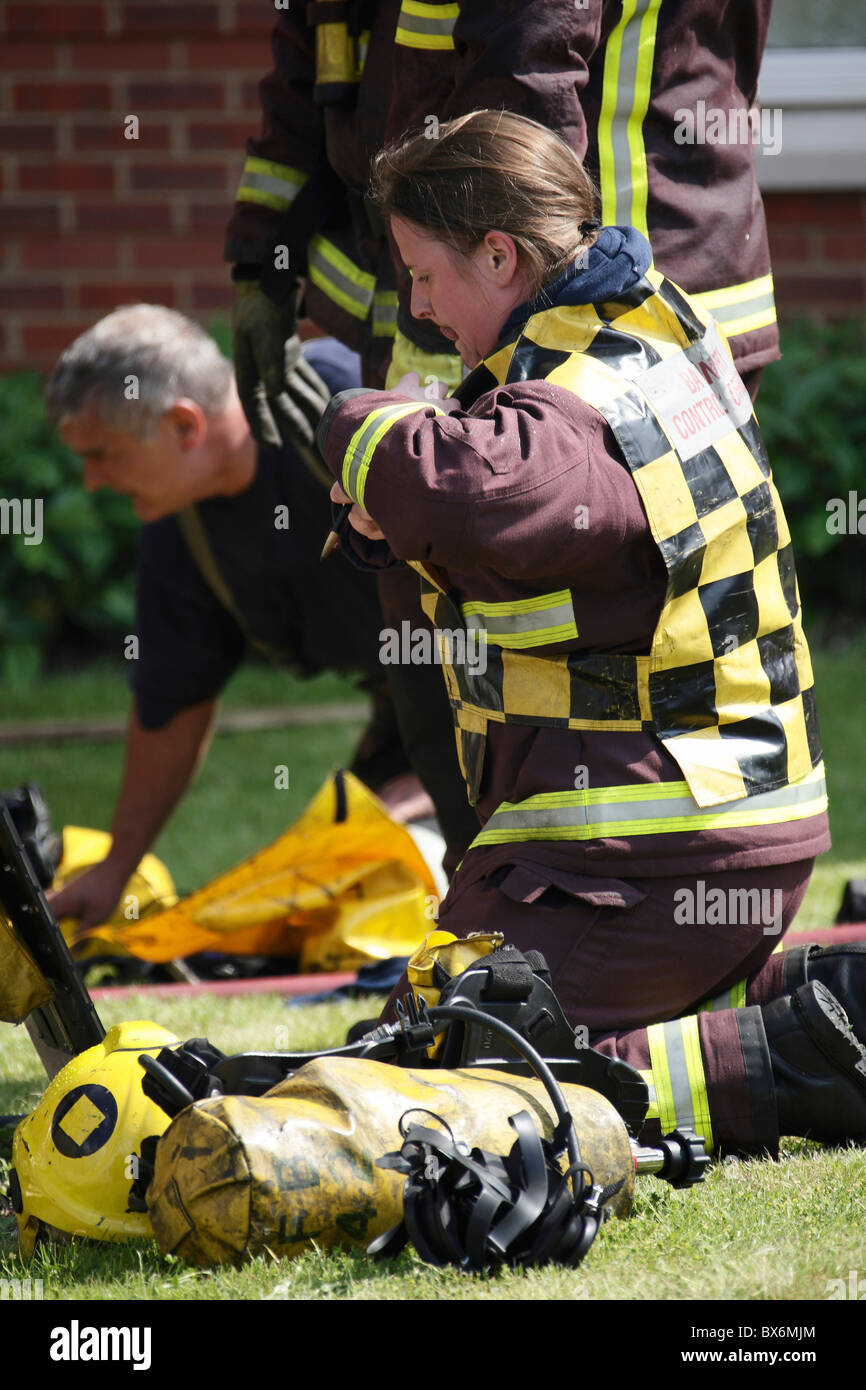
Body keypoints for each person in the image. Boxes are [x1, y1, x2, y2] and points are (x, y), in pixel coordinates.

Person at [315, 110, 866, 1157]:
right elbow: (556, 560)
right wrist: (400, 528)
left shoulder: (570, 403)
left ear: (499, 253)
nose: (418, 308)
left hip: (649, 857)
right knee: (409, 1040)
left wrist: (355, 421)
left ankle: (789, 1066)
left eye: (424, 274)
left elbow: (482, 492)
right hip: (706, 846)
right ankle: (815, 999)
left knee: (448, 1075)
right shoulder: (641, 338)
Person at [224, 0, 780, 873]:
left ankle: (598, 910)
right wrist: (264, 254)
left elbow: (522, 90)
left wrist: (471, 356)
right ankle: (520, 921)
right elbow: (322, 56)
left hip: (595, 316)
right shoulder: (456, 279)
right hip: (539, 298)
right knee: (466, 631)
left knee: (584, 635)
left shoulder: (505, 264)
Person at [43, 305, 432, 933]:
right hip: (410, 719)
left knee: (445, 888)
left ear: (183, 424)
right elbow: (172, 705)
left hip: (519, 720)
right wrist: (117, 868)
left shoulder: (353, 412)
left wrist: (446, 776)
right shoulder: (179, 526)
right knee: (335, 902)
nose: (90, 482)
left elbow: (513, 582)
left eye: (102, 455)